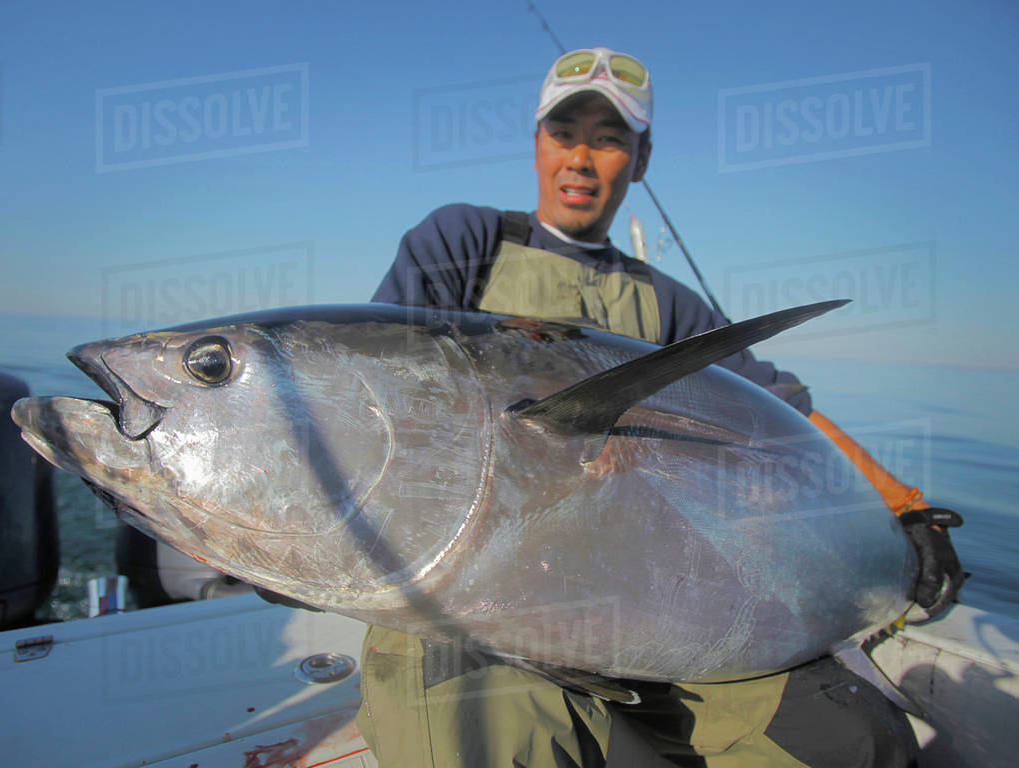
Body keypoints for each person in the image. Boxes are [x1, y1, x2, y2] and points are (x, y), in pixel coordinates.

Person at [356, 47, 964, 767]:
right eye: (565, 132)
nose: (582, 157)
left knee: (856, 739)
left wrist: (902, 508)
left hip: (653, 598)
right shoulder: (467, 241)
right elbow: (375, 388)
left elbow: (785, 413)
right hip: (471, 597)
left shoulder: (668, 304)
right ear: (537, 144)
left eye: (610, 138)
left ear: (640, 160)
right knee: (498, 733)